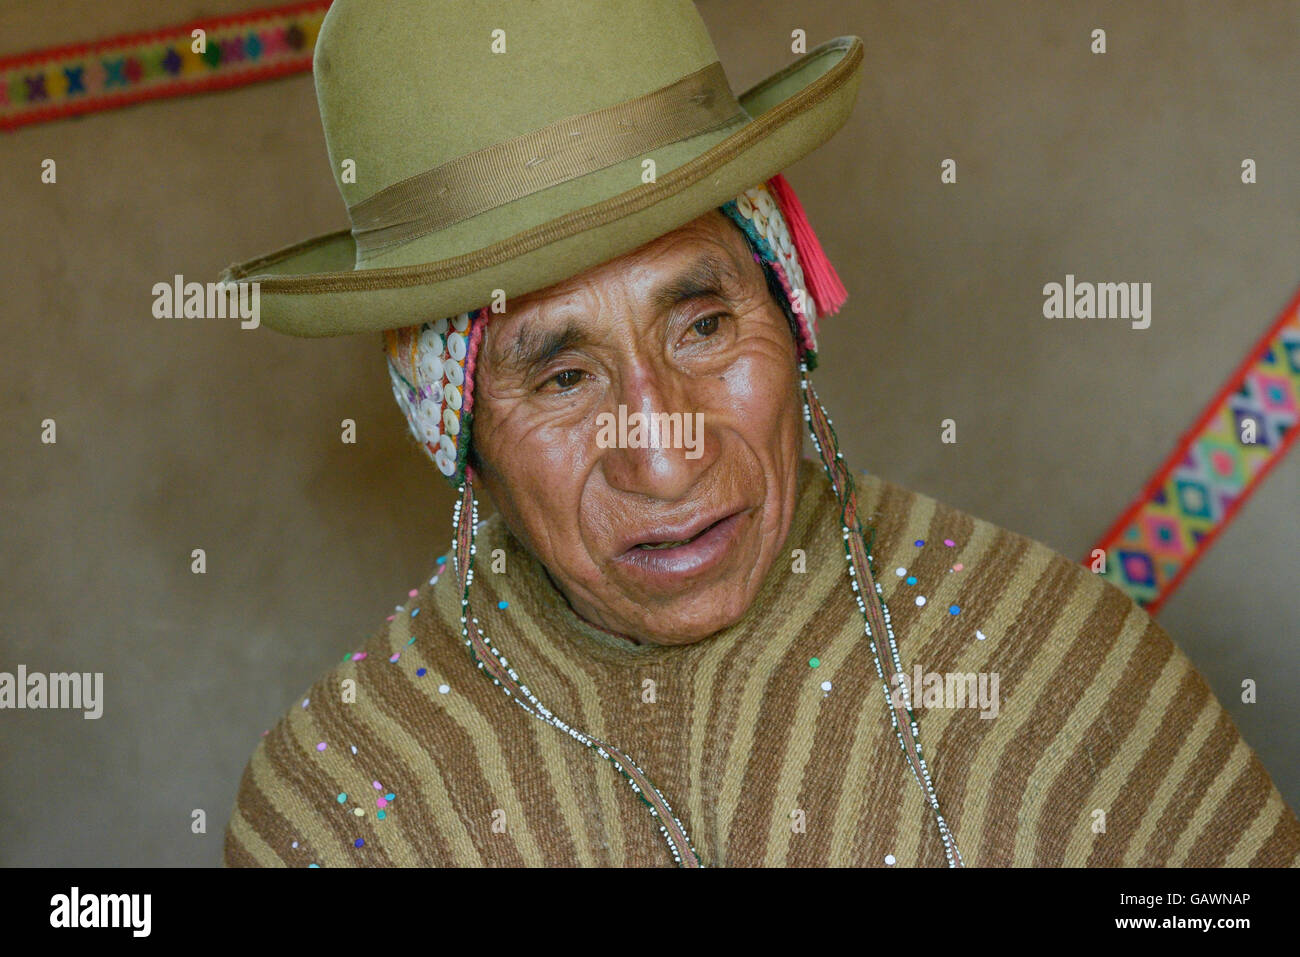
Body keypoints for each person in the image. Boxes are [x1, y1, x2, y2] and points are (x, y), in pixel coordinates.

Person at [221, 0, 1299, 867]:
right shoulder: (339, 808)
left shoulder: (1059, 667)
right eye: (559, 374)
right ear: (452, 425)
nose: (666, 448)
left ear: (789, 311)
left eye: (701, 322)